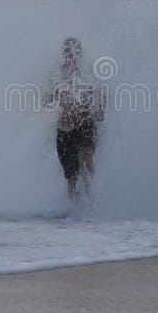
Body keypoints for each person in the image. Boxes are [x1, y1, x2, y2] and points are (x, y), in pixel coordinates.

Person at [48, 37, 105, 200]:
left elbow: (101, 93)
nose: (71, 54)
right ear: (64, 53)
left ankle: (92, 199)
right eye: (67, 51)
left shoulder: (88, 73)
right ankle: (74, 214)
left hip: (85, 124)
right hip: (64, 130)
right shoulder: (56, 74)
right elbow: (51, 99)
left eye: (74, 51)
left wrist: (100, 110)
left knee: (85, 157)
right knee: (71, 177)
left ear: (80, 53)